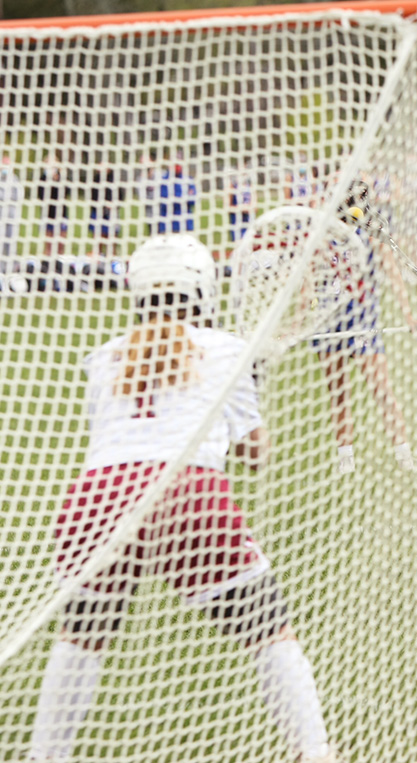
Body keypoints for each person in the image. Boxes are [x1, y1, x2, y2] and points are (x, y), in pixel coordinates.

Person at [27, 235, 337, 763]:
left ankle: (44, 756)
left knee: (80, 639)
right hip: (187, 494)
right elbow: (256, 454)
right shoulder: (227, 350)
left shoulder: (103, 357)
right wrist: (252, 390)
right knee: (270, 633)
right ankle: (313, 753)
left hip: (96, 499)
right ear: (202, 290)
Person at [318, 180, 417, 475]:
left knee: (382, 391)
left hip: (363, 320)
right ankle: (345, 459)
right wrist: (299, 323)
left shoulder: (372, 235)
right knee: (338, 393)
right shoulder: (323, 238)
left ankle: (404, 456)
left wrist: (408, 314)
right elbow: (309, 283)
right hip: (330, 320)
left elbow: (394, 276)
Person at [37, 155, 69, 256]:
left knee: (60, 244)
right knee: (49, 245)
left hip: (61, 214)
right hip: (48, 214)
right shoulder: (42, 179)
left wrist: (57, 180)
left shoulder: (62, 178)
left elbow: (65, 193)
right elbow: (42, 196)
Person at [157, 163, 197, 233]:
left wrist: (178, 196)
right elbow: (166, 200)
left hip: (186, 224)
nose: (177, 167)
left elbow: (193, 200)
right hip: (167, 225)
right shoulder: (163, 181)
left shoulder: (188, 180)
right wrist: (186, 196)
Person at [0, 154, 23, 257]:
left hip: (12, 215)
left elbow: (19, 195)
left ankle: (12, 265)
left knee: (11, 241)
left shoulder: (15, 179)